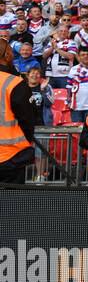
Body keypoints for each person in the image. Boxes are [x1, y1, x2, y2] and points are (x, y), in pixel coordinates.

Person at [0, 38, 37, 184]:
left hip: (10, 155)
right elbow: (27, 119)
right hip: (10, 155)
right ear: (8, 55)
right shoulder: (15, 83)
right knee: (12, 204)